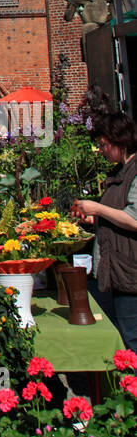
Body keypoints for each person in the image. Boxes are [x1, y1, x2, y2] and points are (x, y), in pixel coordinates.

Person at [72, 93, 137, 352]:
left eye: (103, 144)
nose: (101, 150)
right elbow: (116, 212)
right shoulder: (118, 172)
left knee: (132, 338)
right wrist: (93, 217)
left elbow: (134, 218)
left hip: (131, 268)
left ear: (119, 141)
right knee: (125, 333)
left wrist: (98, 208)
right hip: (119, 266)